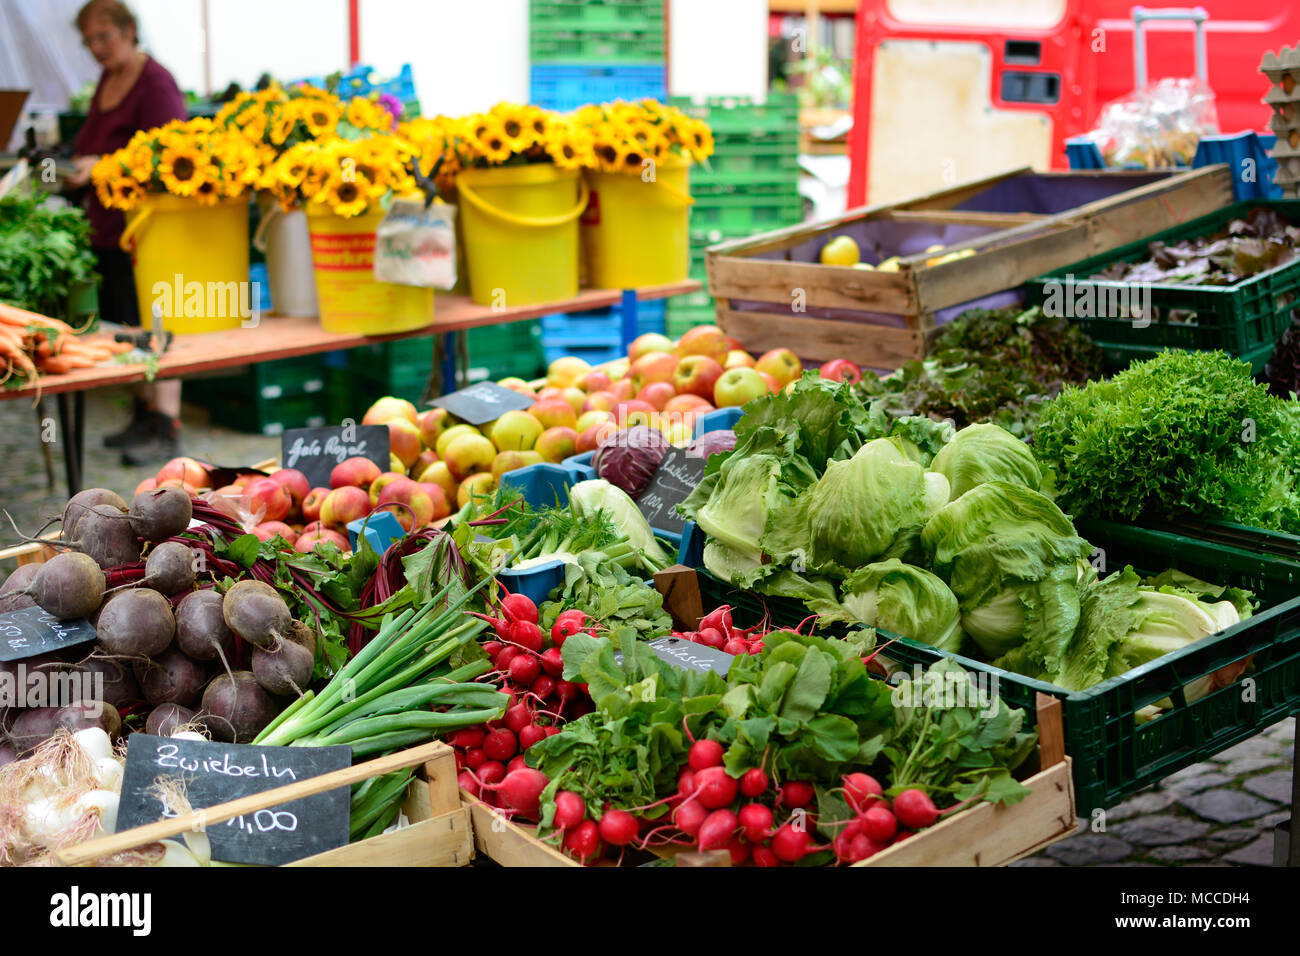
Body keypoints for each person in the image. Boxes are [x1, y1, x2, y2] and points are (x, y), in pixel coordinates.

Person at [64, 0, 187, 465]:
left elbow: (169, 152)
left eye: (104, 37)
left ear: (129, 31)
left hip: (145, 230)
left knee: (157, 323)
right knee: (129, 325)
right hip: (109, 229)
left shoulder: (155, 80)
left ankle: (167, 425)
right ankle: (143, 414)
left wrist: (102, 166)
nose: (97, 48)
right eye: (89, 41)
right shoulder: (107, 80)